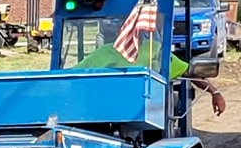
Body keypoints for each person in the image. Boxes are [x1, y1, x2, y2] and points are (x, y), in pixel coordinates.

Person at [75, 35, 226, 116]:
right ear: (118, 33)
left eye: (136, 30)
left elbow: (188, 72)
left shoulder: (155, 50)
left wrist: (215, 92)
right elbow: (73, 74)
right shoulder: (105, 52)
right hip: (108, 114)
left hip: (150, 117)